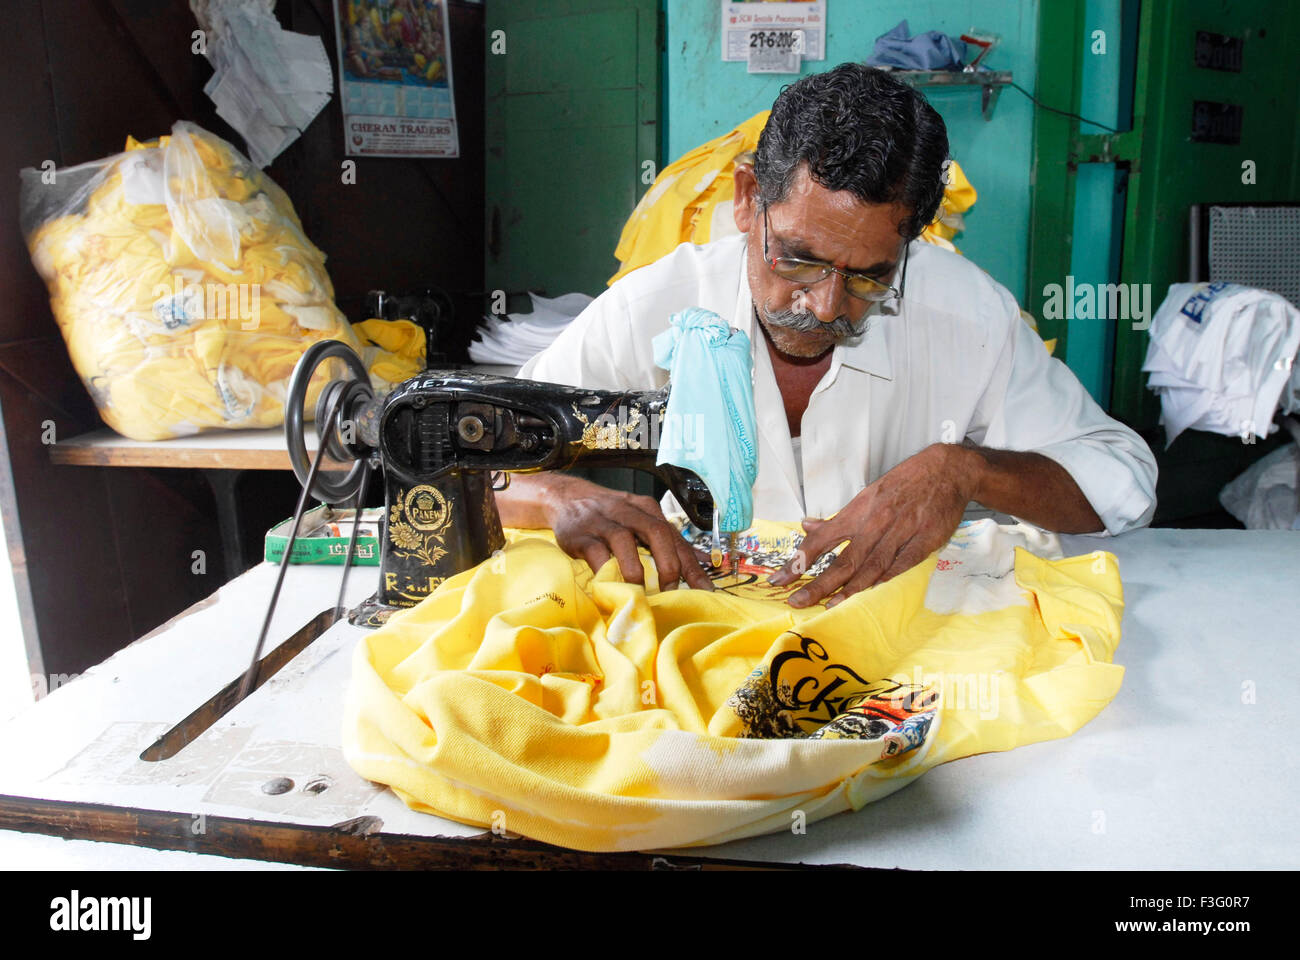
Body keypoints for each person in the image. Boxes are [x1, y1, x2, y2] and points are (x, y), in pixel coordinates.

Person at [497, 63, 1157, 608]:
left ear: (910, 244)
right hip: (708, 629)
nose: (824, 305)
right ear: (747, 196)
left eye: (871, 276)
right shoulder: (658, 304)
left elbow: (1121, 479)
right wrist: (557, 494)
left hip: (897, 650)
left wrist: (965, 470)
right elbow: (477, 453)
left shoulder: (967, 314)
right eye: (798, 258)